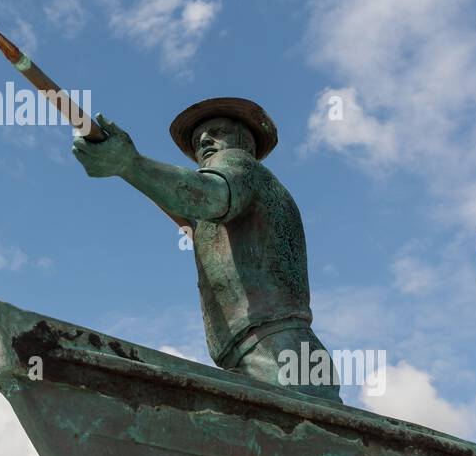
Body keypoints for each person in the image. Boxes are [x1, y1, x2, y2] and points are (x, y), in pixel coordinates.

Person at [71, 97, 341, 402]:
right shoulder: (226, 210)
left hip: (277, 353)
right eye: (199, 139)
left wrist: (129, 164)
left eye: (217, 131)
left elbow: (206, 195)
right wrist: (130, 170)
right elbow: (182, 198)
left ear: (245, 142)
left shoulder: (240, 164)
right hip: (264, 358)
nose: (204, 140)